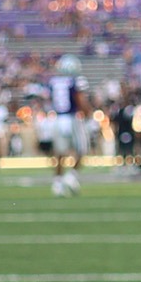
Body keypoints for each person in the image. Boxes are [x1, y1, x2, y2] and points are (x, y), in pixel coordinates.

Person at [47, 54, 91, 196]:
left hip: (57, 119)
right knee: (82, 149)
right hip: (72, 118)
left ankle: (57, 183)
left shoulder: (54, 82)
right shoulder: (76, 81)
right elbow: (80, 100)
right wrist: (88, 114)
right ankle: (71, 176)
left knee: (60, 153)